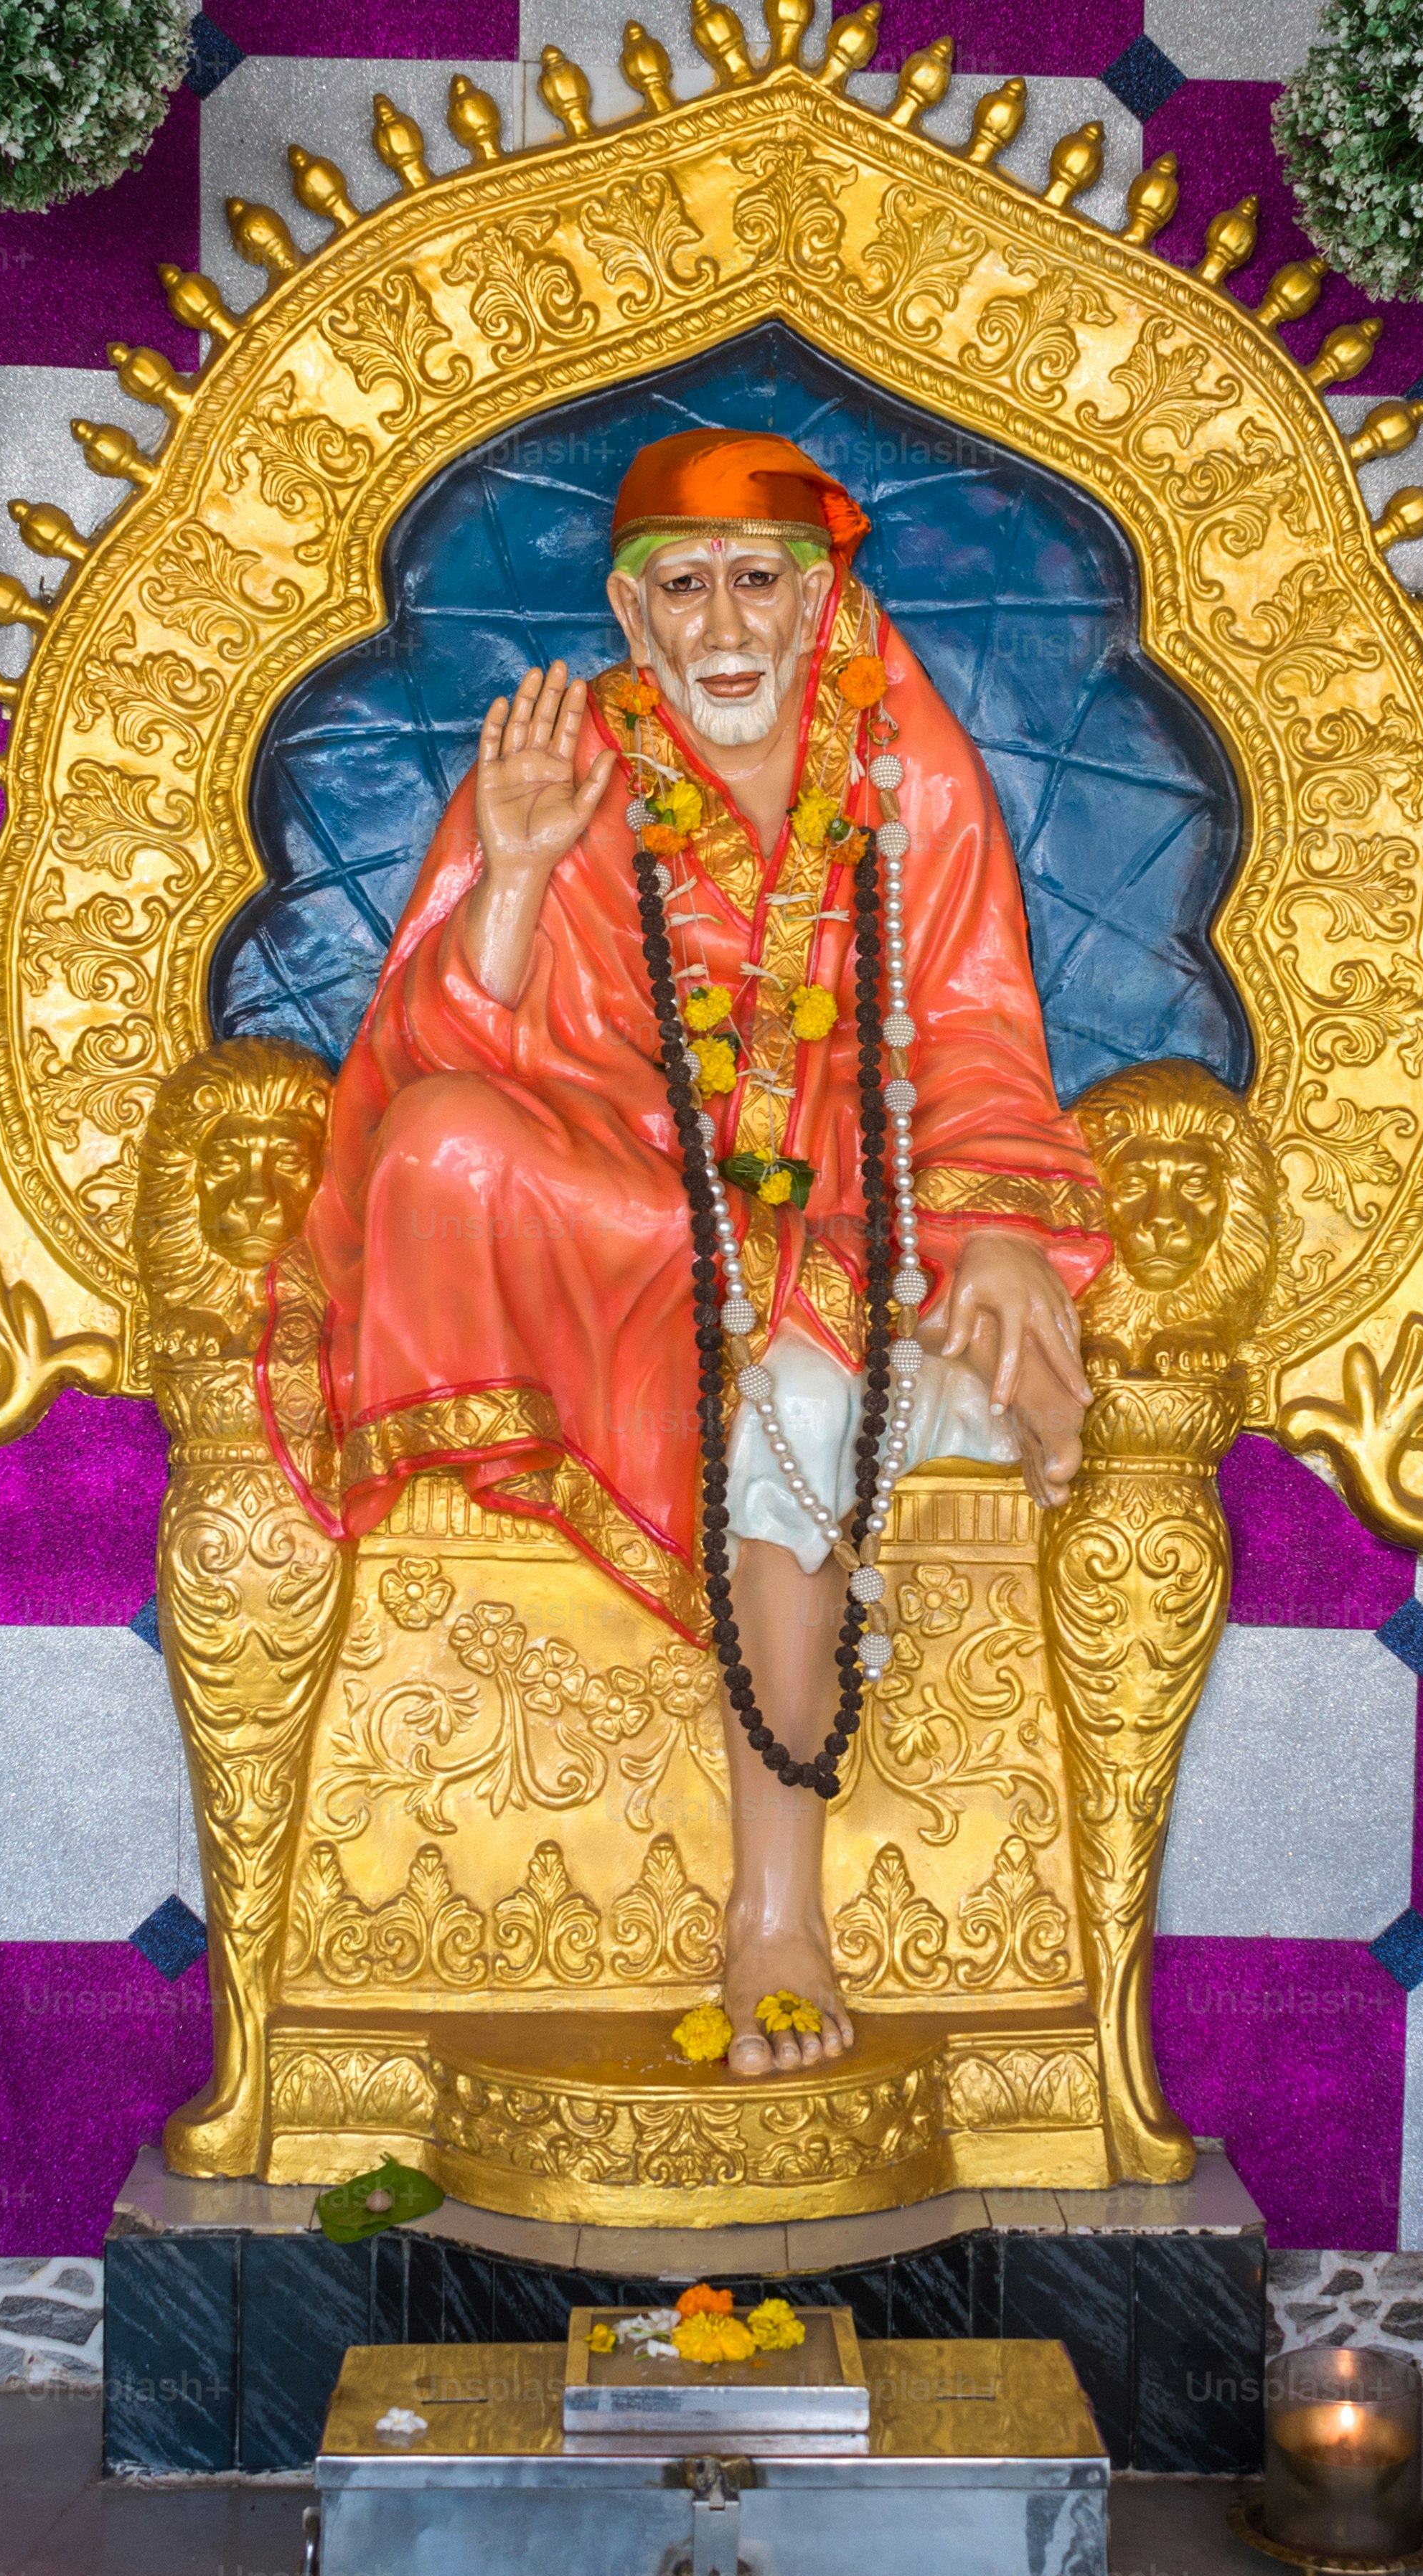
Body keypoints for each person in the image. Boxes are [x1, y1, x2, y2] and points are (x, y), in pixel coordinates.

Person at [288, 430, 1107, 2075]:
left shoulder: (901, 763)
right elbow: (452, 1046)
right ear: (631, 608)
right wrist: (512, 873)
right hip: (629, 1215)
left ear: (817, 600)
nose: (724, 623)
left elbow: (971, 1028)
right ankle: (644, 1389)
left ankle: (777, 1921)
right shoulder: (568, 754)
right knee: (445, 1139)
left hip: (854, 1243)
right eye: (685, 587)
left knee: (804, 1410)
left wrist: (1001, 1231)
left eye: (757, 581)